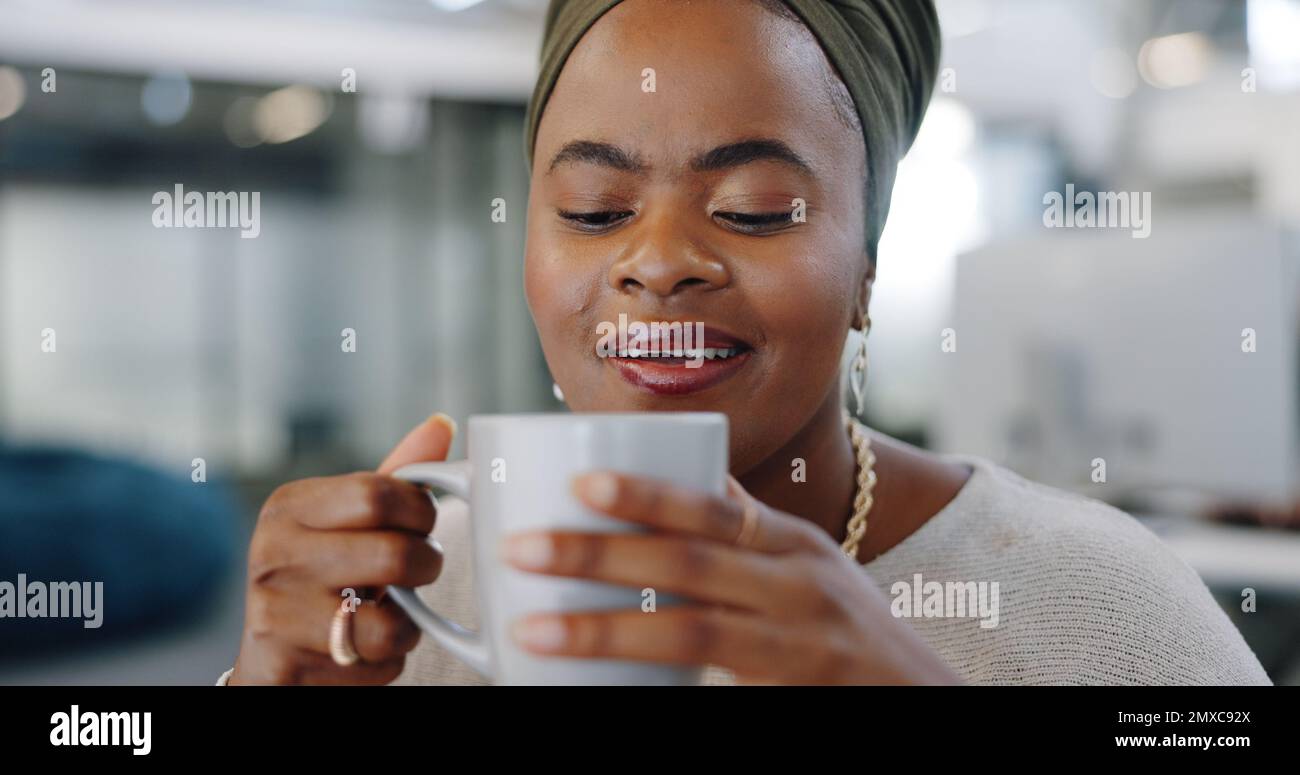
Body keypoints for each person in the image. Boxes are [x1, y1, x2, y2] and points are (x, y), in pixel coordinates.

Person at [222, 0, 1270, 685]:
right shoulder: (422, 598)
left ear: (867, 261)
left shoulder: (1099, 604)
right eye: (593, 209)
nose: (658, 259)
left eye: (757, 207)